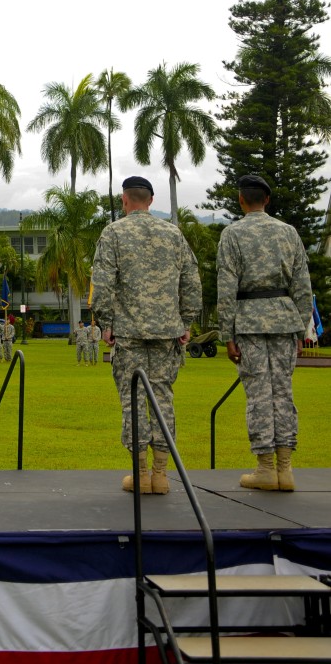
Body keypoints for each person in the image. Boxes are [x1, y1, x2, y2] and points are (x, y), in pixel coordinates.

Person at [91, 175, 202, 494]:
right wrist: (186, 322)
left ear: (124, 200)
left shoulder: (113, 232)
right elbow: (192, 283)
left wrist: (106, 323)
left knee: (133, 400)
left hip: (129, 333)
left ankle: (140, 475)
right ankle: (161, 474)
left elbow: (103, 283)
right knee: (163, 398)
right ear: (151, 201)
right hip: (167, 333)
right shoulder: (173, 233)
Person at [217, 173, 314, 491]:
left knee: (259, 396)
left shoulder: (232, 234)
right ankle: (286, 470)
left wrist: (227, 333)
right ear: (267, 200)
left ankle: (265, 469)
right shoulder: (289, 233)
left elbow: (227, 286)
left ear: (241, 200)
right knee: (283, 394)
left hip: (250, 323)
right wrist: (301, 330)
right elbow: (302, 285)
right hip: (285, 322)